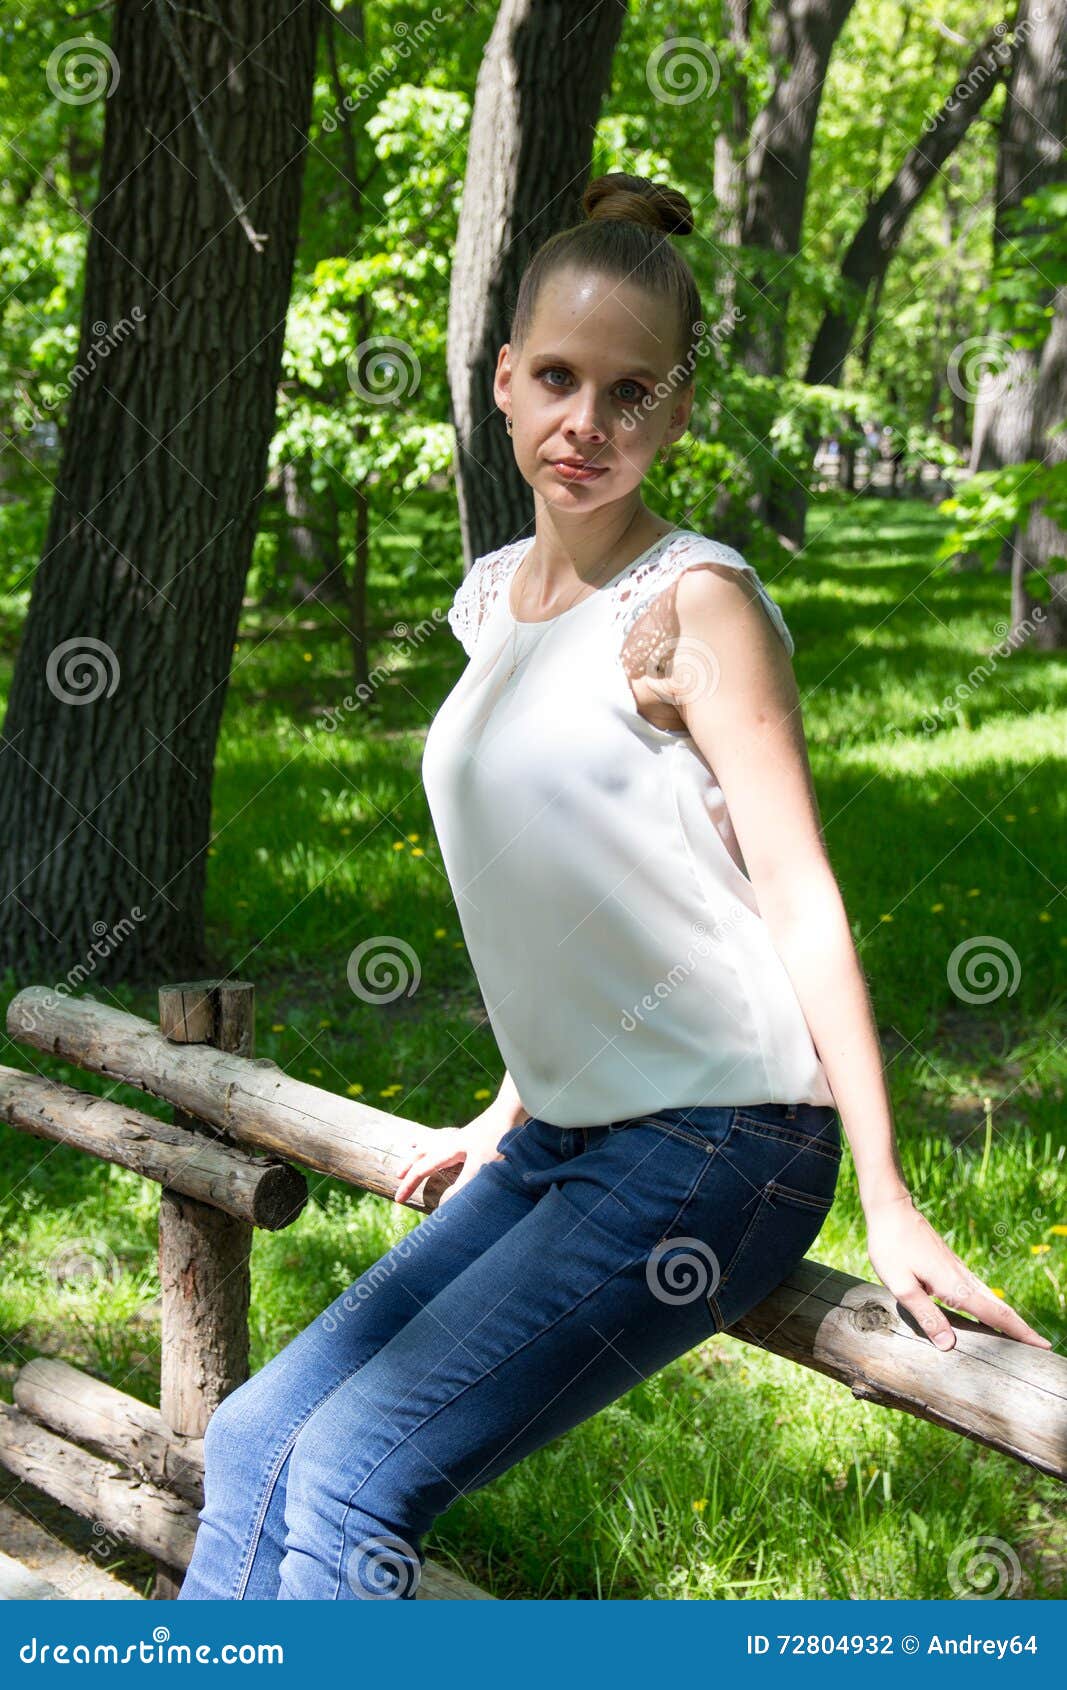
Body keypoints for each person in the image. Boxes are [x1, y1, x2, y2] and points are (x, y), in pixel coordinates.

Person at [178, 172, 1051, 1604]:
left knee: (350, 1477)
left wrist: (886, 1192)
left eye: (630, 391)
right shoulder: (490, 596)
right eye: (561, 380)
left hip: (724, 1142)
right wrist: (514, 1096)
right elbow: (582, 880)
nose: (589, 423)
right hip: (567, 1137)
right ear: (506, 383)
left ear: (679, 411)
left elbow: (800, 890)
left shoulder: (695, 607)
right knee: (263, 1431)